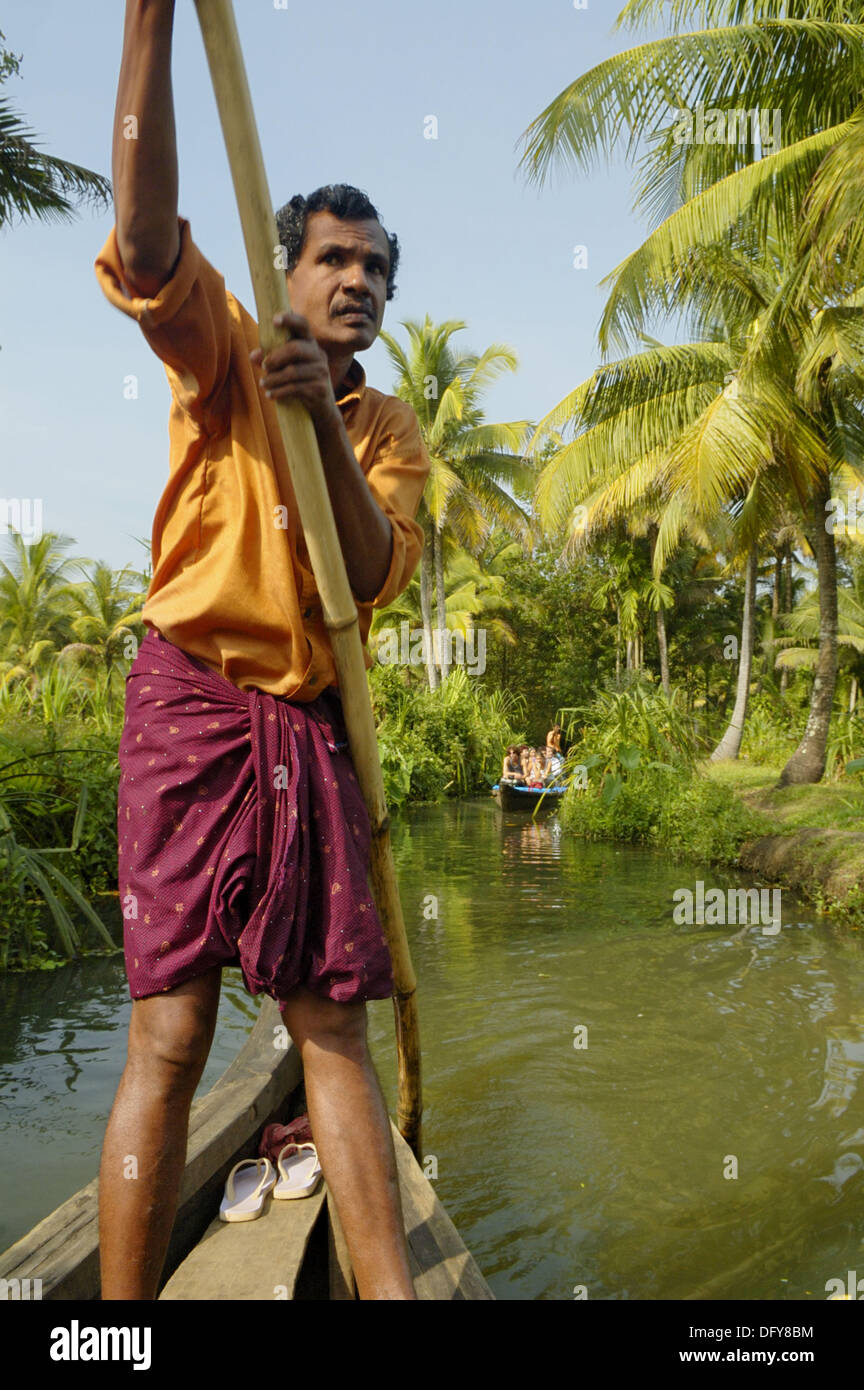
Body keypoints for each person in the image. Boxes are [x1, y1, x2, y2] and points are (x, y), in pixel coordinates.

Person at [97, 0, 430, 1301]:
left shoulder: (390, 426)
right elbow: (138, 238)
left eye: (375, 270)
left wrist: (328, 433)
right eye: (333, 258)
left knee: (331, 1022)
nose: (354, 280)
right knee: (171, 1030)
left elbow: (368, 570)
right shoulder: (226, 345)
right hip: (189, 703)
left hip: (308, 722)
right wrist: (149, 27)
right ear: (286, 270)